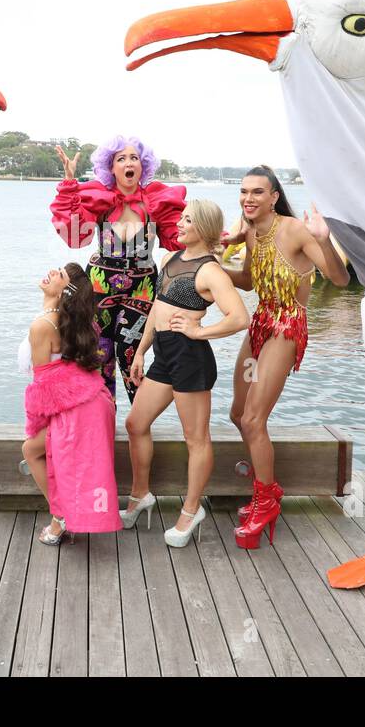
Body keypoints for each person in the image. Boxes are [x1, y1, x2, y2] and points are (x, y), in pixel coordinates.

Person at [223, 167, 349, 549]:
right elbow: (247, 280)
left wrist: (323, 240)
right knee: (237, 413)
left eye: (258, 192)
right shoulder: (250, 232)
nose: (249, 198)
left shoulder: (294, 230)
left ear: (274, 197)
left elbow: (339, 279)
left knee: (254, 418)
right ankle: (268, 489)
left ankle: (264, 503)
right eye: (244, 191)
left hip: (286, 325)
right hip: (261, 321)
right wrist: (213, 263)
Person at [121, 201, 249, 546]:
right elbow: (156, 308)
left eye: (187, 220)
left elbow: (238, 317)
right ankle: (140, 495)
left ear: (204, 228)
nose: (179, 223)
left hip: (190, 358)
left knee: (196, 439)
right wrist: (141, 350)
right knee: (135, 423)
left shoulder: (210, 272)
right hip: (162, 354)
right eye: (181, 217)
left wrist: (198, 332)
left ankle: (191, 511)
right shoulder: (169, 259)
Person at [49, 136, 187, 402]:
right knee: (100, 354)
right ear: (111, 168)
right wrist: (69, 182)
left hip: (142, 286)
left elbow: (179, 239)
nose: (128, 162)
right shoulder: (102, 201)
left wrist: (216, 241)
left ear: (142, 165)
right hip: (100, 285)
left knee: (131, 351)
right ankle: (101, 422)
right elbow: (75, 237)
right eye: (120, 159)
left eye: (133, 157)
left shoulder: (154, 203)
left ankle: (140, 423)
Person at [19, 263, 121, 544]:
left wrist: (35, 425)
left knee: (32, 448)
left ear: (65, 291)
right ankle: (63, 515)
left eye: (60, 275)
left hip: (79, 409)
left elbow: (42, 386)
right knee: (71, 462)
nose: (52, 271)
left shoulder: (43, 325)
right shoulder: (73, 321)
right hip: (93, 400)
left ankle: (59, 517)